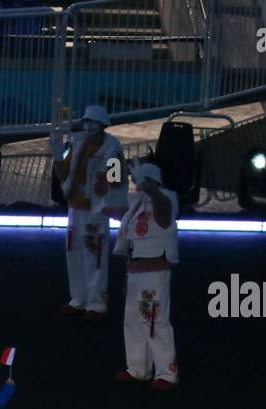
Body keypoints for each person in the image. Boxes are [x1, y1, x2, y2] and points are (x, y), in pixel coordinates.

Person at [53, 105, 128, 320]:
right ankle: (79, 299)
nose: (89, 126)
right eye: (87, 122)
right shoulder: (78, 142)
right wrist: (58, 154)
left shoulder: (112, 146)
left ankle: (96, 303)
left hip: (97, 208)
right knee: (74, 252)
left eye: (93, 122)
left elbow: (116, 178)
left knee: (95, 255)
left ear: (102, 125)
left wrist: (104, 187)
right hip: (76, 206)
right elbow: (64, 171)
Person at [113, 163, 180, 390]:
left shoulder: (166, 198)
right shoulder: (137, 204)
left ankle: (166, 373)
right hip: (136, 271)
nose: (138, 184)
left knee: (154, 321)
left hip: (154, 271)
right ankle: (138, 368)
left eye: (142, 180)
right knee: (132, 320)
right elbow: (130, 242)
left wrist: (152, 189)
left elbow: (163, 217)